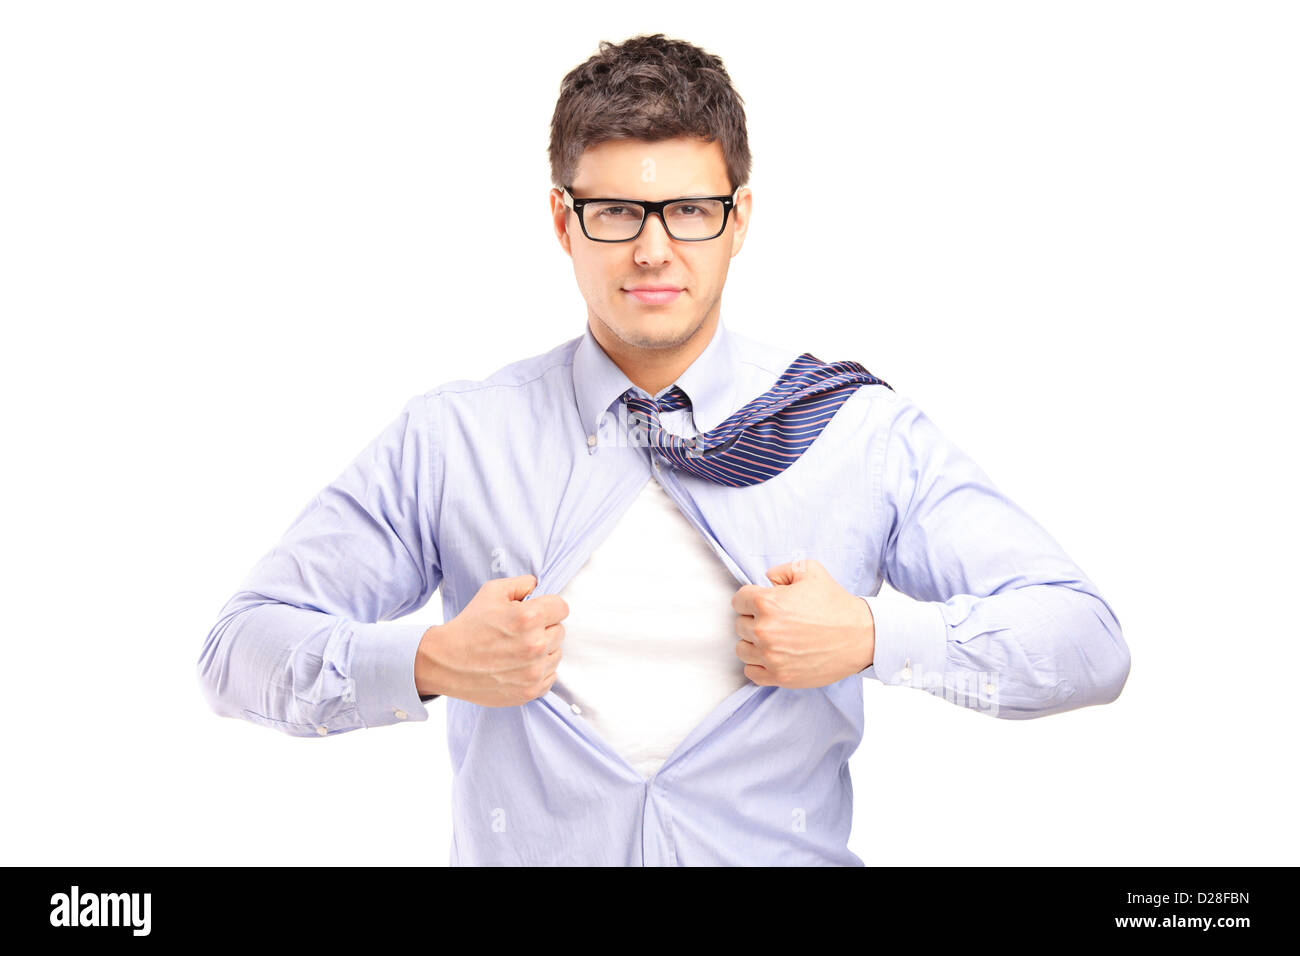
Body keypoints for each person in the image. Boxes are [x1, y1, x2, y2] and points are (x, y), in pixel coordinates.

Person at [197, 33, 1131, 866]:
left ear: (740, 219)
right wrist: (431, 662)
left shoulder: (850, 430)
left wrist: (874, 639)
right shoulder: (454, 440)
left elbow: (1086, 643)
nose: (653, 249)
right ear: (564, 221)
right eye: (615, 212)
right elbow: (237, 651)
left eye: (689, 210)